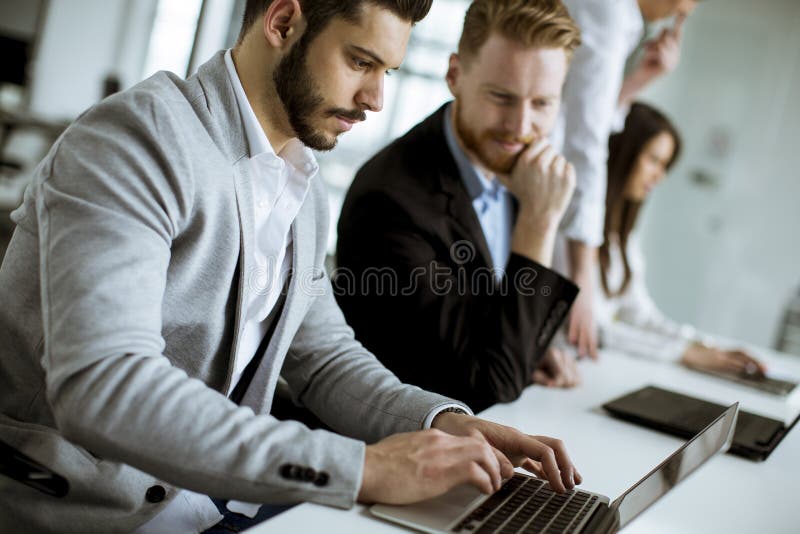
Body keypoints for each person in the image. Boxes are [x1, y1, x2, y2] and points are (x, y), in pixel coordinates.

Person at [0, 1, 583, 532]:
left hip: (195, 506)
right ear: (283, 22)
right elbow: (105, 386)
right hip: (72, 512)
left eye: (389, 72)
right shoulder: (134, 141)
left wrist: (439, 422)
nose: (376, 98)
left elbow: (324, 359)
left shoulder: (300, 181)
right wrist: (362, 468)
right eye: (360, 61)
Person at [334, 0, 584, 413]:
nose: (521, 128)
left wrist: (533, 349)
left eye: (541, 103)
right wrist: (539, 224)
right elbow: (488, 382)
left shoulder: (517, 169)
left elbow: (491, 325)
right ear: (455, 75)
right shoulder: (391, 201)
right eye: (502, 97)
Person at [551, 0, 699, 360]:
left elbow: (586, 114)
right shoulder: (609, 10)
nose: (690, 10)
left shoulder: (622, 232)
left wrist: (640, 80)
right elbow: (585, 141)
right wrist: (581, 278)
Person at [595, 102, 767, 375]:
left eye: (665, 166)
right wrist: (683, 353)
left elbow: (639, 314)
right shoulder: (577, 232)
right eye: (653, 160)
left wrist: (706, 347)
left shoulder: (622, 236)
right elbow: (595, 330)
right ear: (621, 152)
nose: (659, 176)